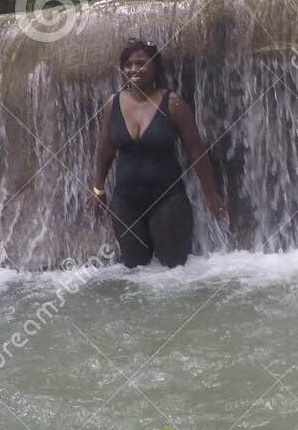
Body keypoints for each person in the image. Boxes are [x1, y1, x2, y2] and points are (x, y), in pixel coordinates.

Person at [90, 39, 226, 267]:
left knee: (174, 272)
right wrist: (98, 187)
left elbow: (195, 150)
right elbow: (105, 149)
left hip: (168, 199)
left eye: (141, 63)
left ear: (155, 67)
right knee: (134, 272)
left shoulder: (173, 104)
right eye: (128, 64)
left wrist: (210, 194)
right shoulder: (111, 104)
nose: (134, 69)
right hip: (125, 202)